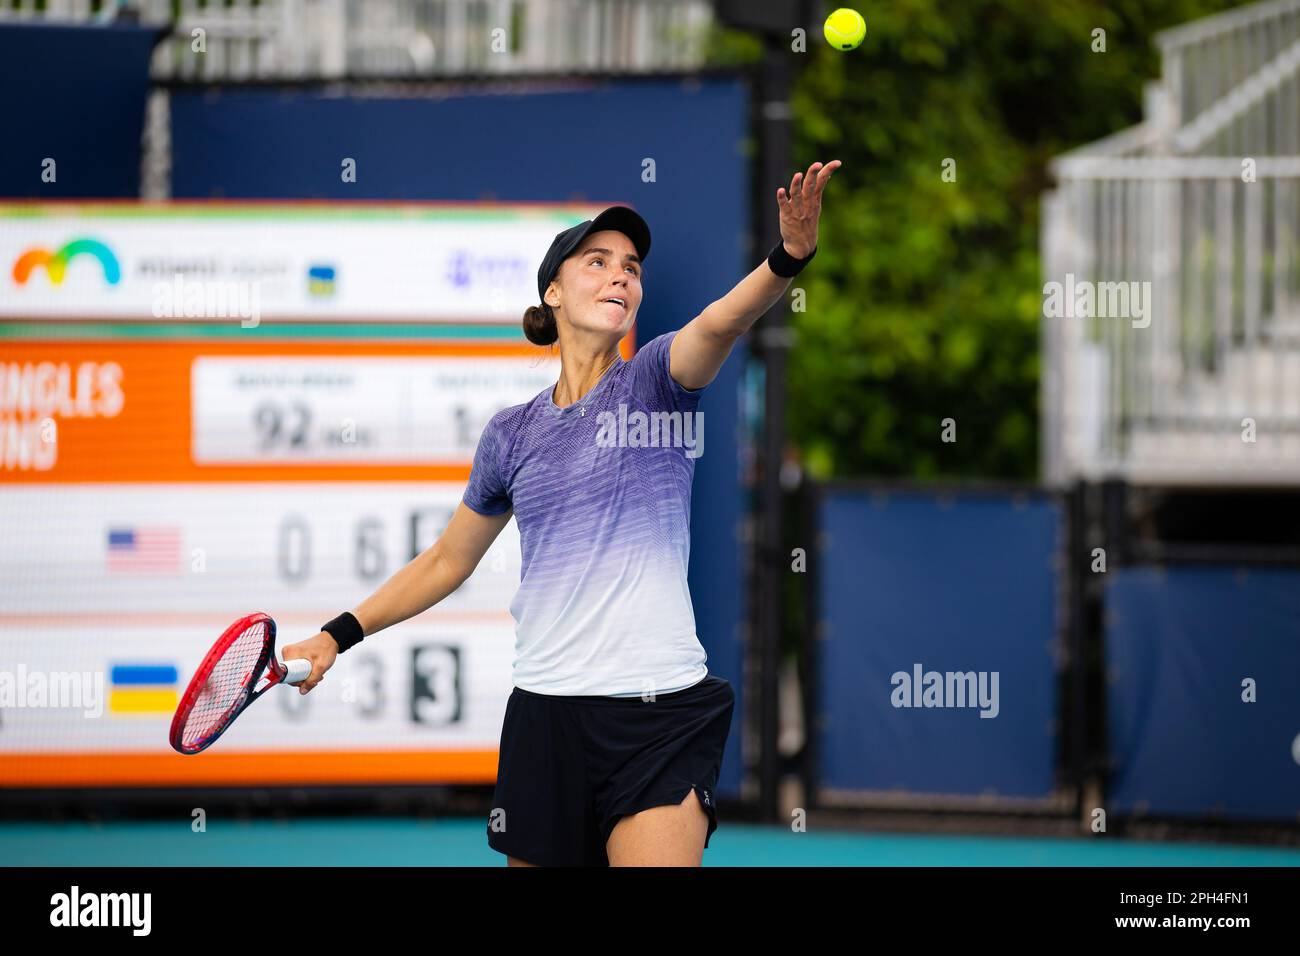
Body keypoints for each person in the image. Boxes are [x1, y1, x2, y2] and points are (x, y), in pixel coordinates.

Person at [283, 159, 841, 866]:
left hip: (658, 717)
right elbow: (447, 560)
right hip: (546, 719)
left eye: (632, 267)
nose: (621, 276)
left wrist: (789, 255)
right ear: (553, 291)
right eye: (598, 262)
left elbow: (722, 323)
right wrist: (336, 635)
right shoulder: (511, 435)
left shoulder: (657, 383)